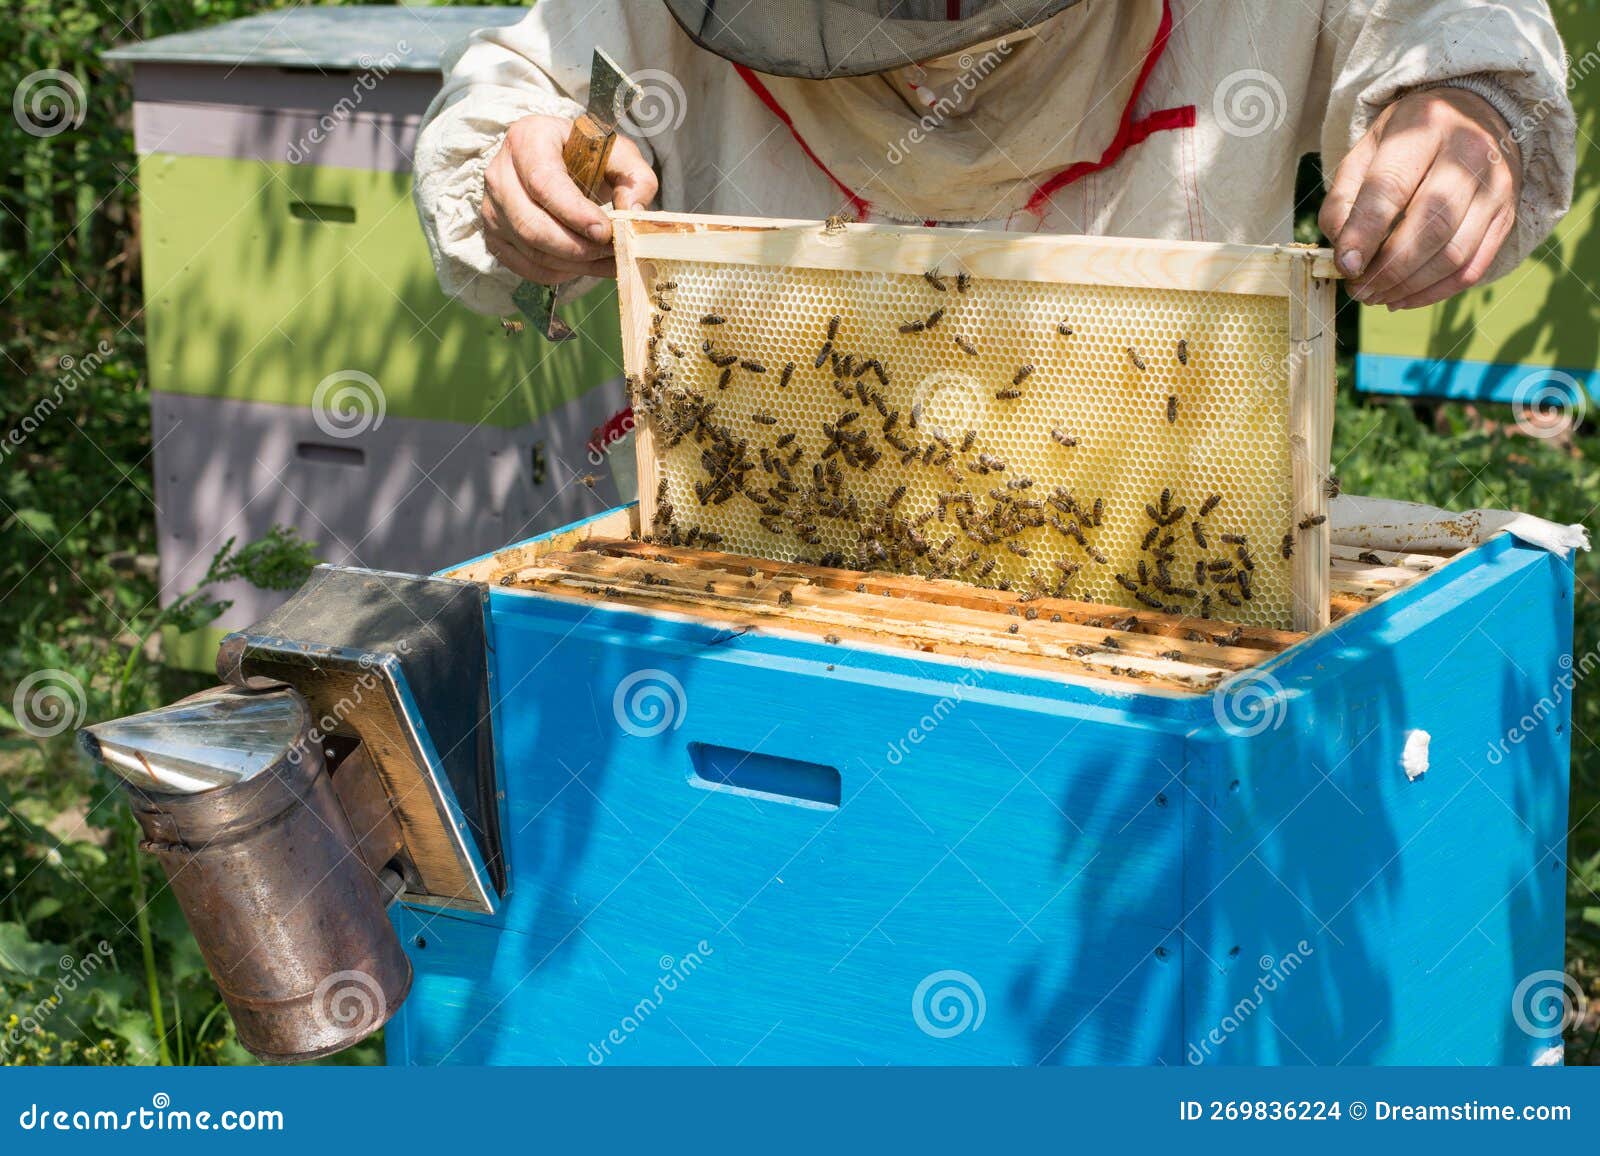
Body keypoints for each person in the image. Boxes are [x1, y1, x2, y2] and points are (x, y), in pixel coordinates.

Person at [413, 0, 1574, 317]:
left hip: (1152, 579)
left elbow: (1455, 22)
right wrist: (519, 169)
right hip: (766, 607)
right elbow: (516, 88)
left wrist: (1467, 109)